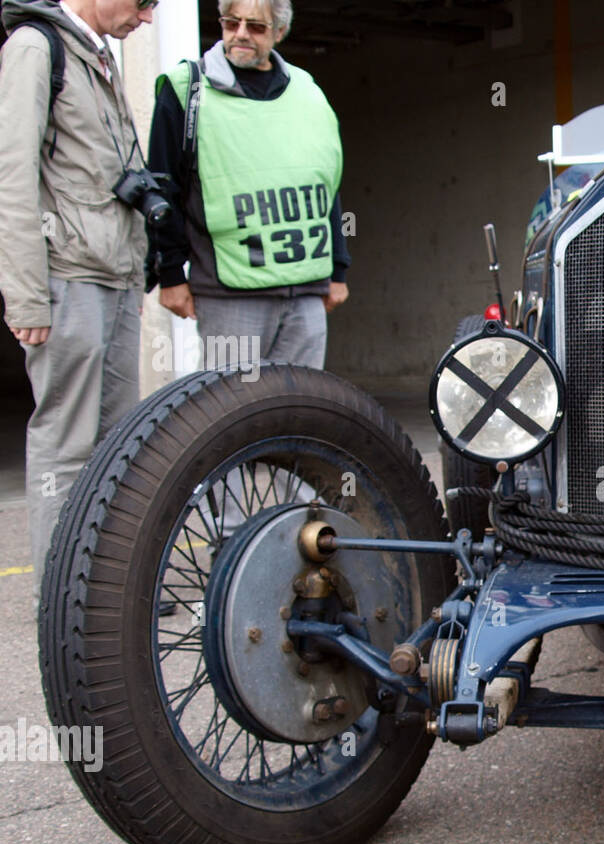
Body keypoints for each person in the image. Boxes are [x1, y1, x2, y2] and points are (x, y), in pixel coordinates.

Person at [0, 0, 157, 595]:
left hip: (112, 276)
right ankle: (58, 596)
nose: (145, 20)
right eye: (143, 4)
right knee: (66, 446)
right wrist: (26, 296)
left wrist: (134, 273)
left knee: (119, 443)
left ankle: (106, 595)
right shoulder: (37, 48)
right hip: (66, 276)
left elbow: (116, 177)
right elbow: (11, 177)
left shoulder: (97, 55)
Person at [148, 0, 349, 371]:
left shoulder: (307, 92)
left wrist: (337, 269)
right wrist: (171, 274)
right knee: (234, 415)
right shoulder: (187, 89)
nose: (240, 34)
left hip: (306, 292)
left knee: (302, 413)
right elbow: (162, 188)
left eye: (255, 26)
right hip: (230, 294)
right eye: (231, 22)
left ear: (279, 32)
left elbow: (326, 182)